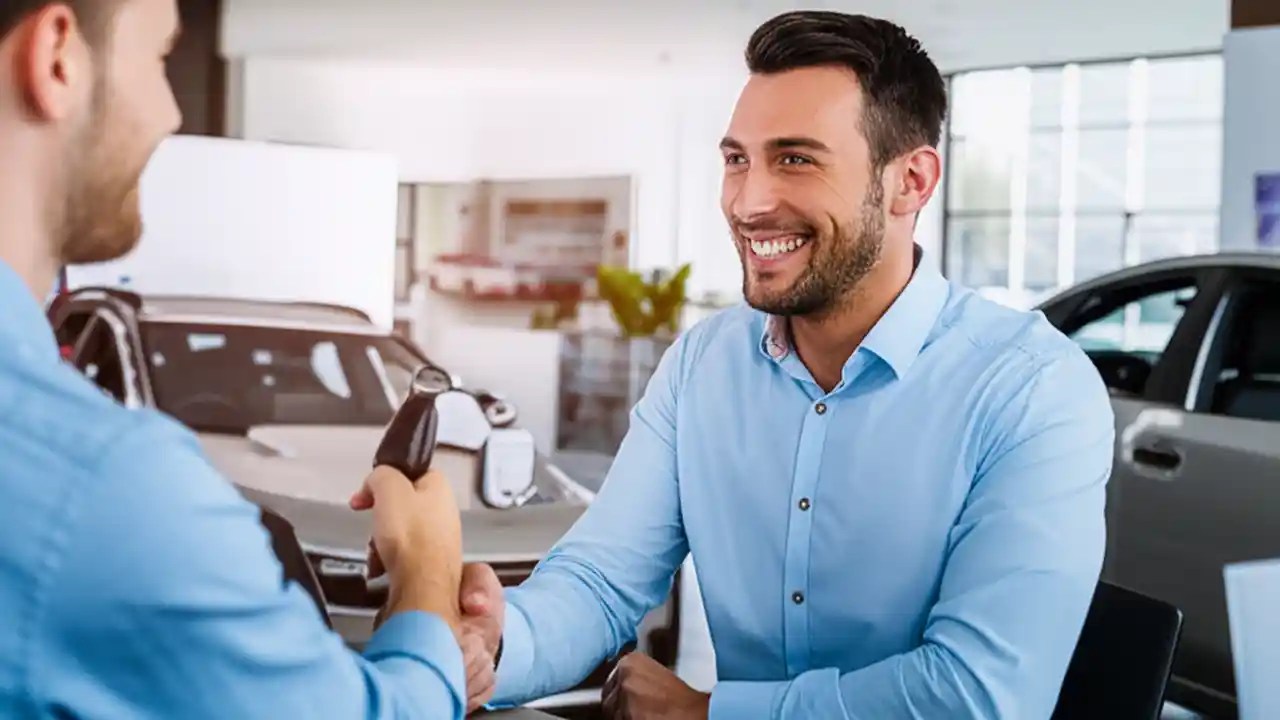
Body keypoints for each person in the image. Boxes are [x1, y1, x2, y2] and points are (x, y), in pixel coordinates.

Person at [455, 10, 1115, 720]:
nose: (749, 201)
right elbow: (600, 579)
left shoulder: (1030, 390)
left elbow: (977, 697)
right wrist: (496, 643)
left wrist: (708, 714)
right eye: (738, 159)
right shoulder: (702, 367)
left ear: (912, 182)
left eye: (795, 159)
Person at [0, 1, 483, 717]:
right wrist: (427, 575)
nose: (169, 112)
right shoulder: (100, 484)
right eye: (159, 56)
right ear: (59, 57)